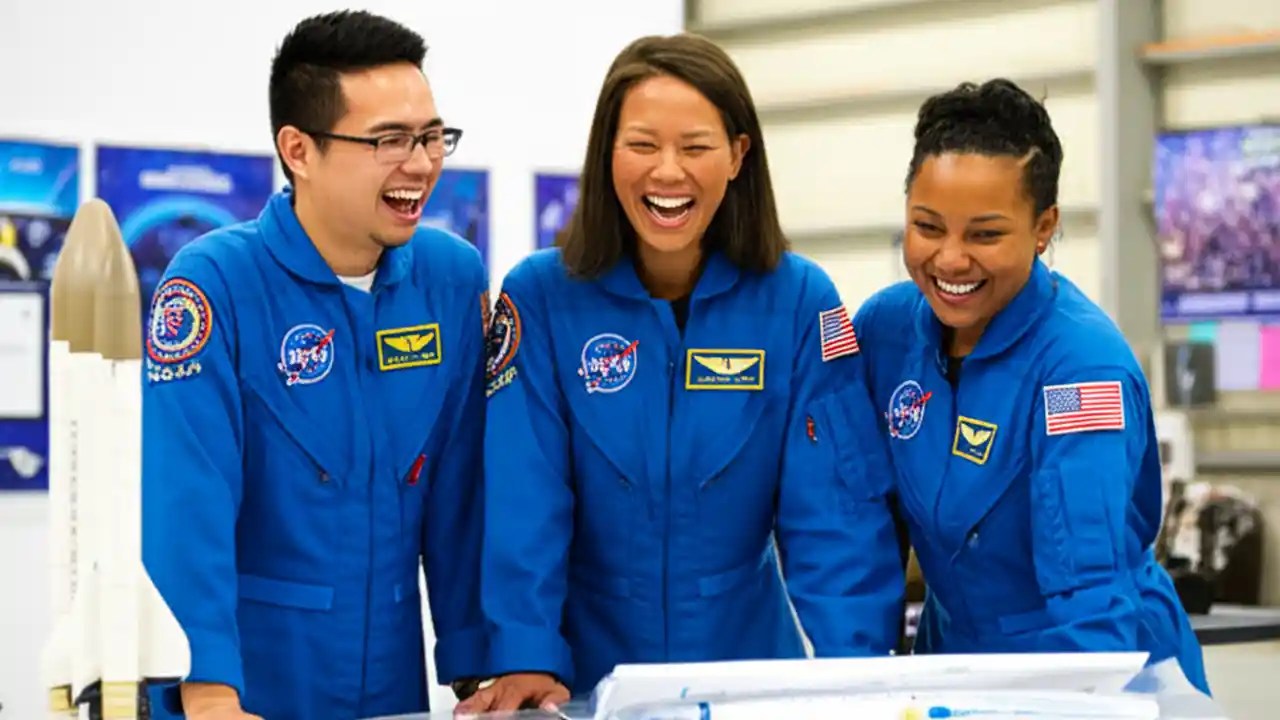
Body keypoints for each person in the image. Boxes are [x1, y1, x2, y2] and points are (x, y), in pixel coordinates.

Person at [456, 33, 905, 714]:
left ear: (738, 156)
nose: (668, 172)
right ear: (606, 152)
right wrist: (524, 652)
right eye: (641, 144)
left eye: (695, 147)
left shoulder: (799, 302)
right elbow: (524, 496)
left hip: (751, 684)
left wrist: (857, 680)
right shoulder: (543, 299)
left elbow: (834, 515)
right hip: (582, 685)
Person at [140, 11, 489, 719]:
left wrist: (479, 671)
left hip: (391, 687)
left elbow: (460, 500)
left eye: (431, 137)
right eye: (389, 140)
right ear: (299, 149)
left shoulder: (451, 281)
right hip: (252, 686)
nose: (420, 163)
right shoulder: (213, 286)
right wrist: (206, 688)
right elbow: (187, 506)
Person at [846, 78, 1211, 694]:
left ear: (1044, 227)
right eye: (928, 227)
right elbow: (860, 522)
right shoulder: (884, 332)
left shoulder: (1080, 368)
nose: (951, 260)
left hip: (1095, 666)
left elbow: (1086, 589)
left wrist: (1086, 705)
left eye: (985, 234)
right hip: (954, 666)